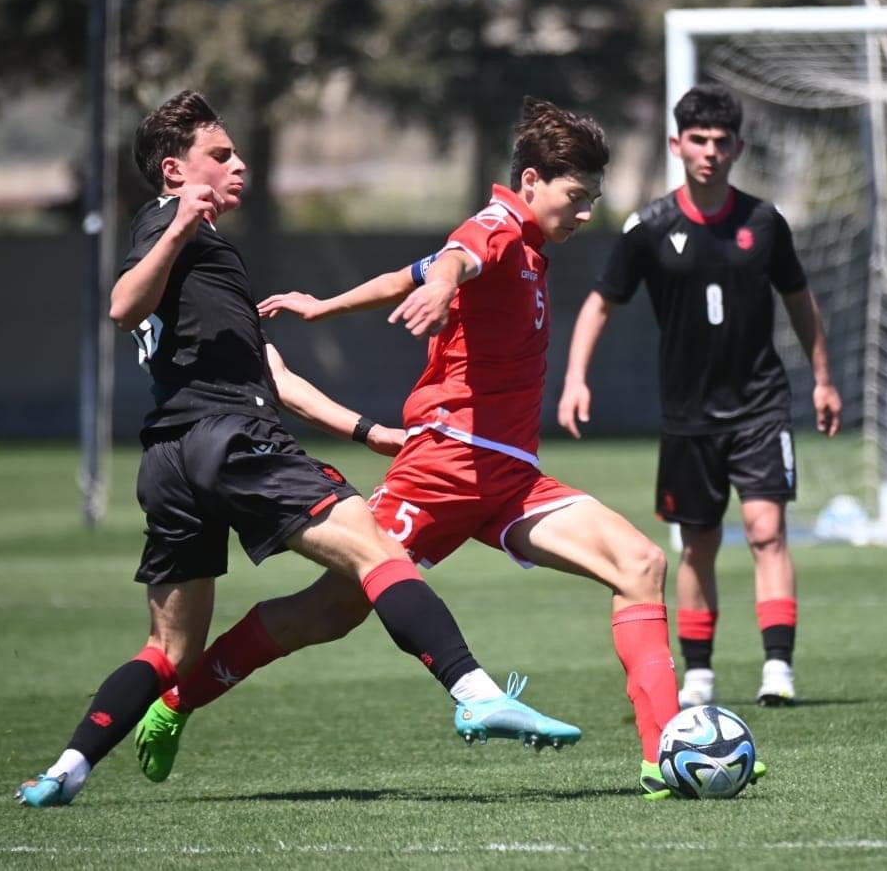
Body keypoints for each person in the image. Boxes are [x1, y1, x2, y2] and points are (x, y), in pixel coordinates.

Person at [132, 97, 761, 800]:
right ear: (530, 182)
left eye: (592, 199)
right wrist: (439, 288)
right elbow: (454, 260)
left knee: (640, 563)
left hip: (512, 476)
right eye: (576, 197)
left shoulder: (528, 245)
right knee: (329, 611)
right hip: (444, 465)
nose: (585, 213)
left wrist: (325, 306)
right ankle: (178, 701)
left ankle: (662, 755)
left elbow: (411, 272)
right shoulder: (497, 225)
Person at [15, 91, 577, 808]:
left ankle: (66, 770)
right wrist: (180, 223)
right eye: (220, 156)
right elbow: (123, 305)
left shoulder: (205, 260)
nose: (239, 166)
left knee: (170, 651)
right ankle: (475, 692)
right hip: (231, 438)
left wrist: (369, 432)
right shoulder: (168, 227)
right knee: (379, 551)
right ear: (173, 171)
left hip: (171, 459)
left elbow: (275, 376)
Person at [557, 84, 841, 709]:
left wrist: (822, 379)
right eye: (699, 140)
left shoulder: (764, 222)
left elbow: (800, 302)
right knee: (699, 544)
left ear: (737, 148)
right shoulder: (650, 227)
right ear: (676, 144)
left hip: (760, 405)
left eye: (721, 141)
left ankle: (778, 669)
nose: (710, 151)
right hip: (689, 416)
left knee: (767, 530)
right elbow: (600, 303)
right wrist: (576, 377)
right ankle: (701, 675)